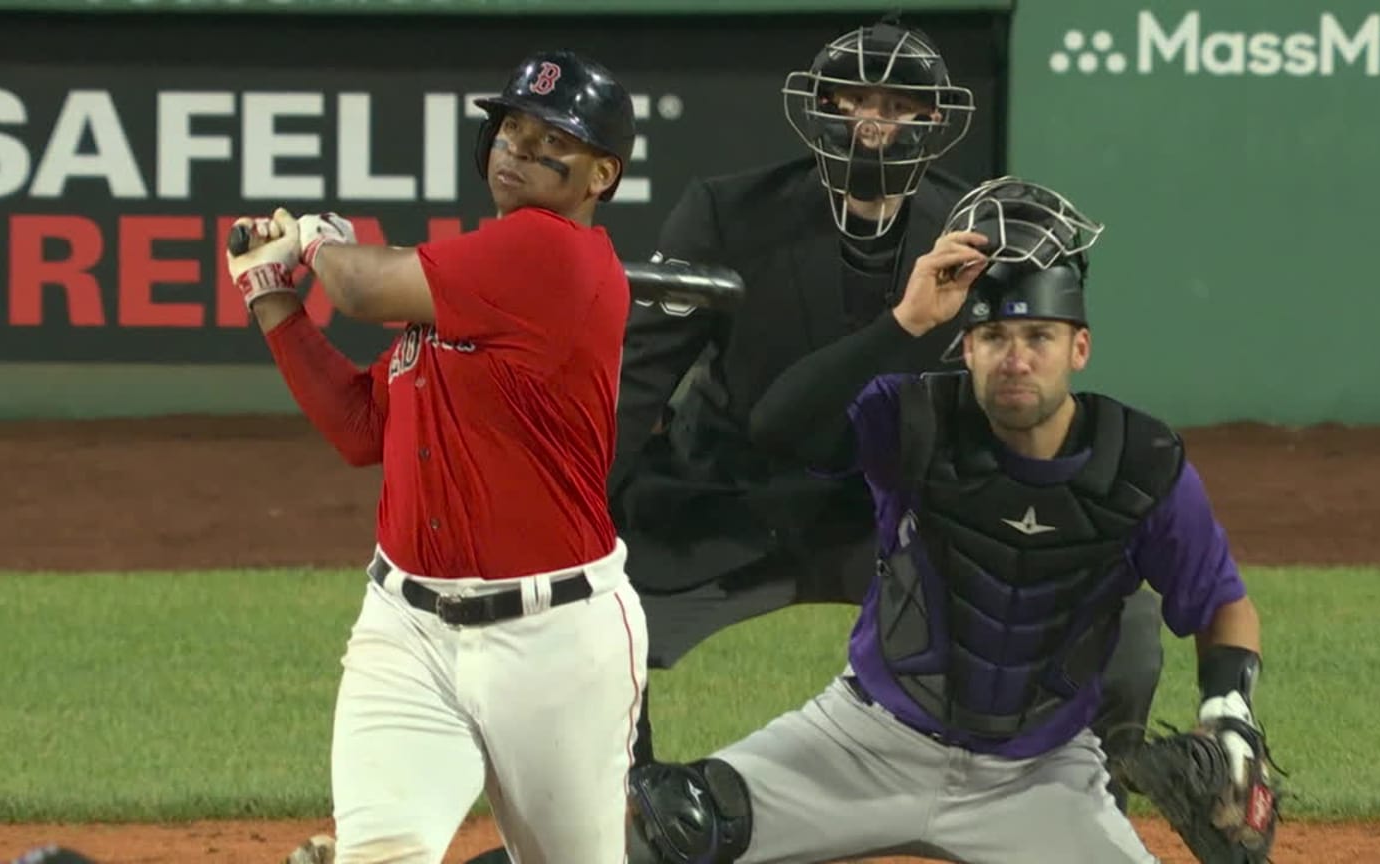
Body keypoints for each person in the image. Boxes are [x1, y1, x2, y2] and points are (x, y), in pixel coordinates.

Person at [624, 177, 1271, 864]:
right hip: (862, 746)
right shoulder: (912, 420)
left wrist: (1228, 712)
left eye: (1038, 336)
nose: (1015, 358)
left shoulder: (1140, 463)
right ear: (966, 349)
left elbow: (1224, 605)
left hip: (1041, 780)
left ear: (1079, 349)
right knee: (649, 842)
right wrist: (905, 321)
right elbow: (780, 428)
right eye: (992, 335)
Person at [613, 10, 1161, 811]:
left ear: (936, 120)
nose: (873, 125)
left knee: (1108, 586)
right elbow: (639, 380)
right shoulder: (727, 214)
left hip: (897, 512)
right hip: (727, 498)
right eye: (852, 102)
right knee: (587, 600)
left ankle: (1092, 784)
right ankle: (630, 796)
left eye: (900, 105)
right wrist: (573, 510)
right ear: (819, 108)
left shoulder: (981, 234)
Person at [228, 50, 648, 864]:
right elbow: (359, 430)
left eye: (549, 135)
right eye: (512, 127)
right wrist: (274, 302)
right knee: (380, 853)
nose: (519, 147)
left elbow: (359, 287)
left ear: (601, 174)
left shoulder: (551, 255)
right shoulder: (466, 283)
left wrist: (314, 240)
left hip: (554, 639)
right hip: (406, 626)